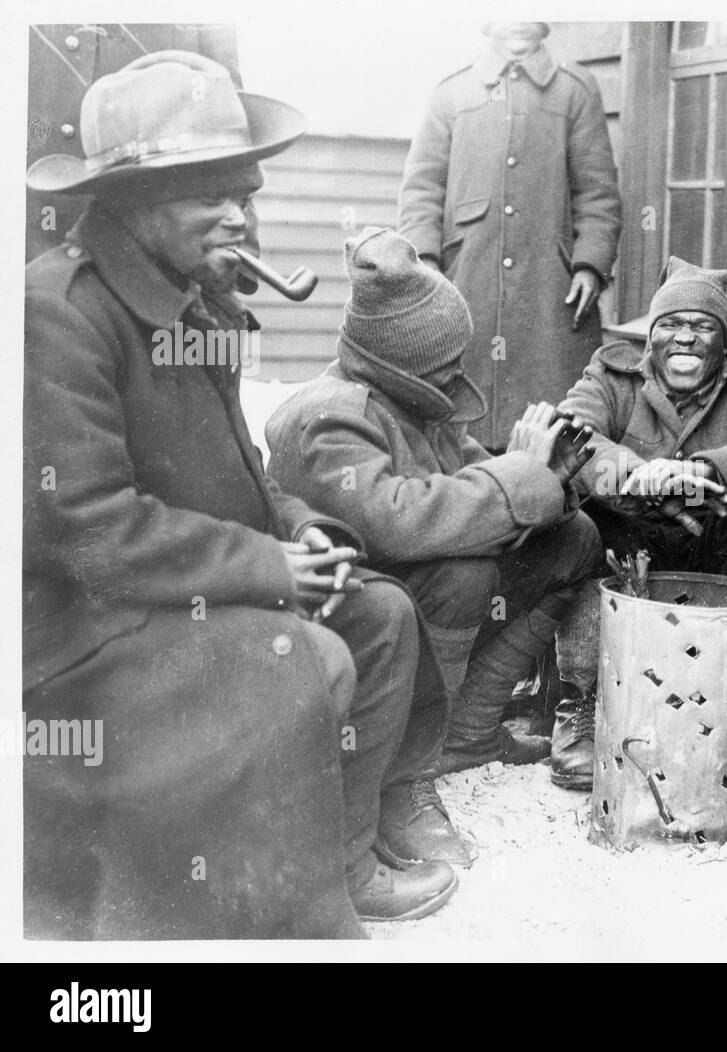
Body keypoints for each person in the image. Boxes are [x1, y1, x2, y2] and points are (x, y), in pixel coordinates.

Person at [23, 52, 458, 937]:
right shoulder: (57, 313)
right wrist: (270, 568)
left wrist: (301, 528)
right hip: (86, 627)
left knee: (380, 616)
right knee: (303, 658)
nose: (240, 217)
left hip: (182, 582)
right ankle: (280, 917)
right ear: (132, 203)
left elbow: (240, 472)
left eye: (246, 192)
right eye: (209, 196)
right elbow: (88, 528)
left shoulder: (200, 304)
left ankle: (342, 863)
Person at [266, 227, 604, 801]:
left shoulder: (413, 399)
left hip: (417, 598)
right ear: (404, 362)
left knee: (574, 539)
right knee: (463, 572)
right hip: (353, 615)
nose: (457, 373)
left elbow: (470, 483)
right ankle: (406, 770)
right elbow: (399, 523)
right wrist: (521, 471)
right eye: (446, 363)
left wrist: (551, 477)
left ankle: (469, 732)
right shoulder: (330, 416)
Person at [552, 257, 727, 788]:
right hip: (630, 543)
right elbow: (572, 432)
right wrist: (638, 475)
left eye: (703, 328)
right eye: (671, 326)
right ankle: (582, 705)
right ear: (651, 337)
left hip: (716, 544)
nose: (686, 340)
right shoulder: (611, 376)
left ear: (723, 342)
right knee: (579, 529)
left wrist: (707, 470)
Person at [397, 21, 622, 449]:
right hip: (465, 281)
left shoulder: (575, 90)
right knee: (457, 418)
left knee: (557, 419)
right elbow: (421, 189)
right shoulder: (452, 93)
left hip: (548, 287)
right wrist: (425, 263)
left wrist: (590, 266)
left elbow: (598, 195)